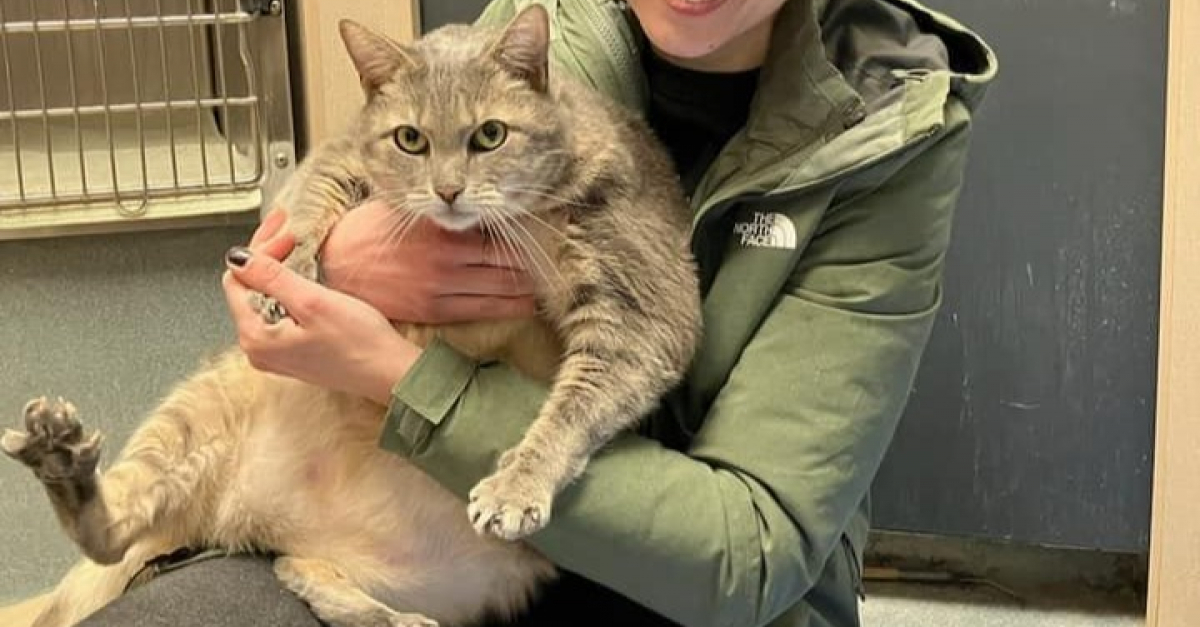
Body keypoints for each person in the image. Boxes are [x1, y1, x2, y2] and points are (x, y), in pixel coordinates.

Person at [79, 0, 995, 625]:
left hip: (687, 574)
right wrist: (339, 246)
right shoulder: (536, 28)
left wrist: (400, 376)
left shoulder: (896, 123)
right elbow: (372, 155)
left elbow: (747, 550)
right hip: (422, 512)